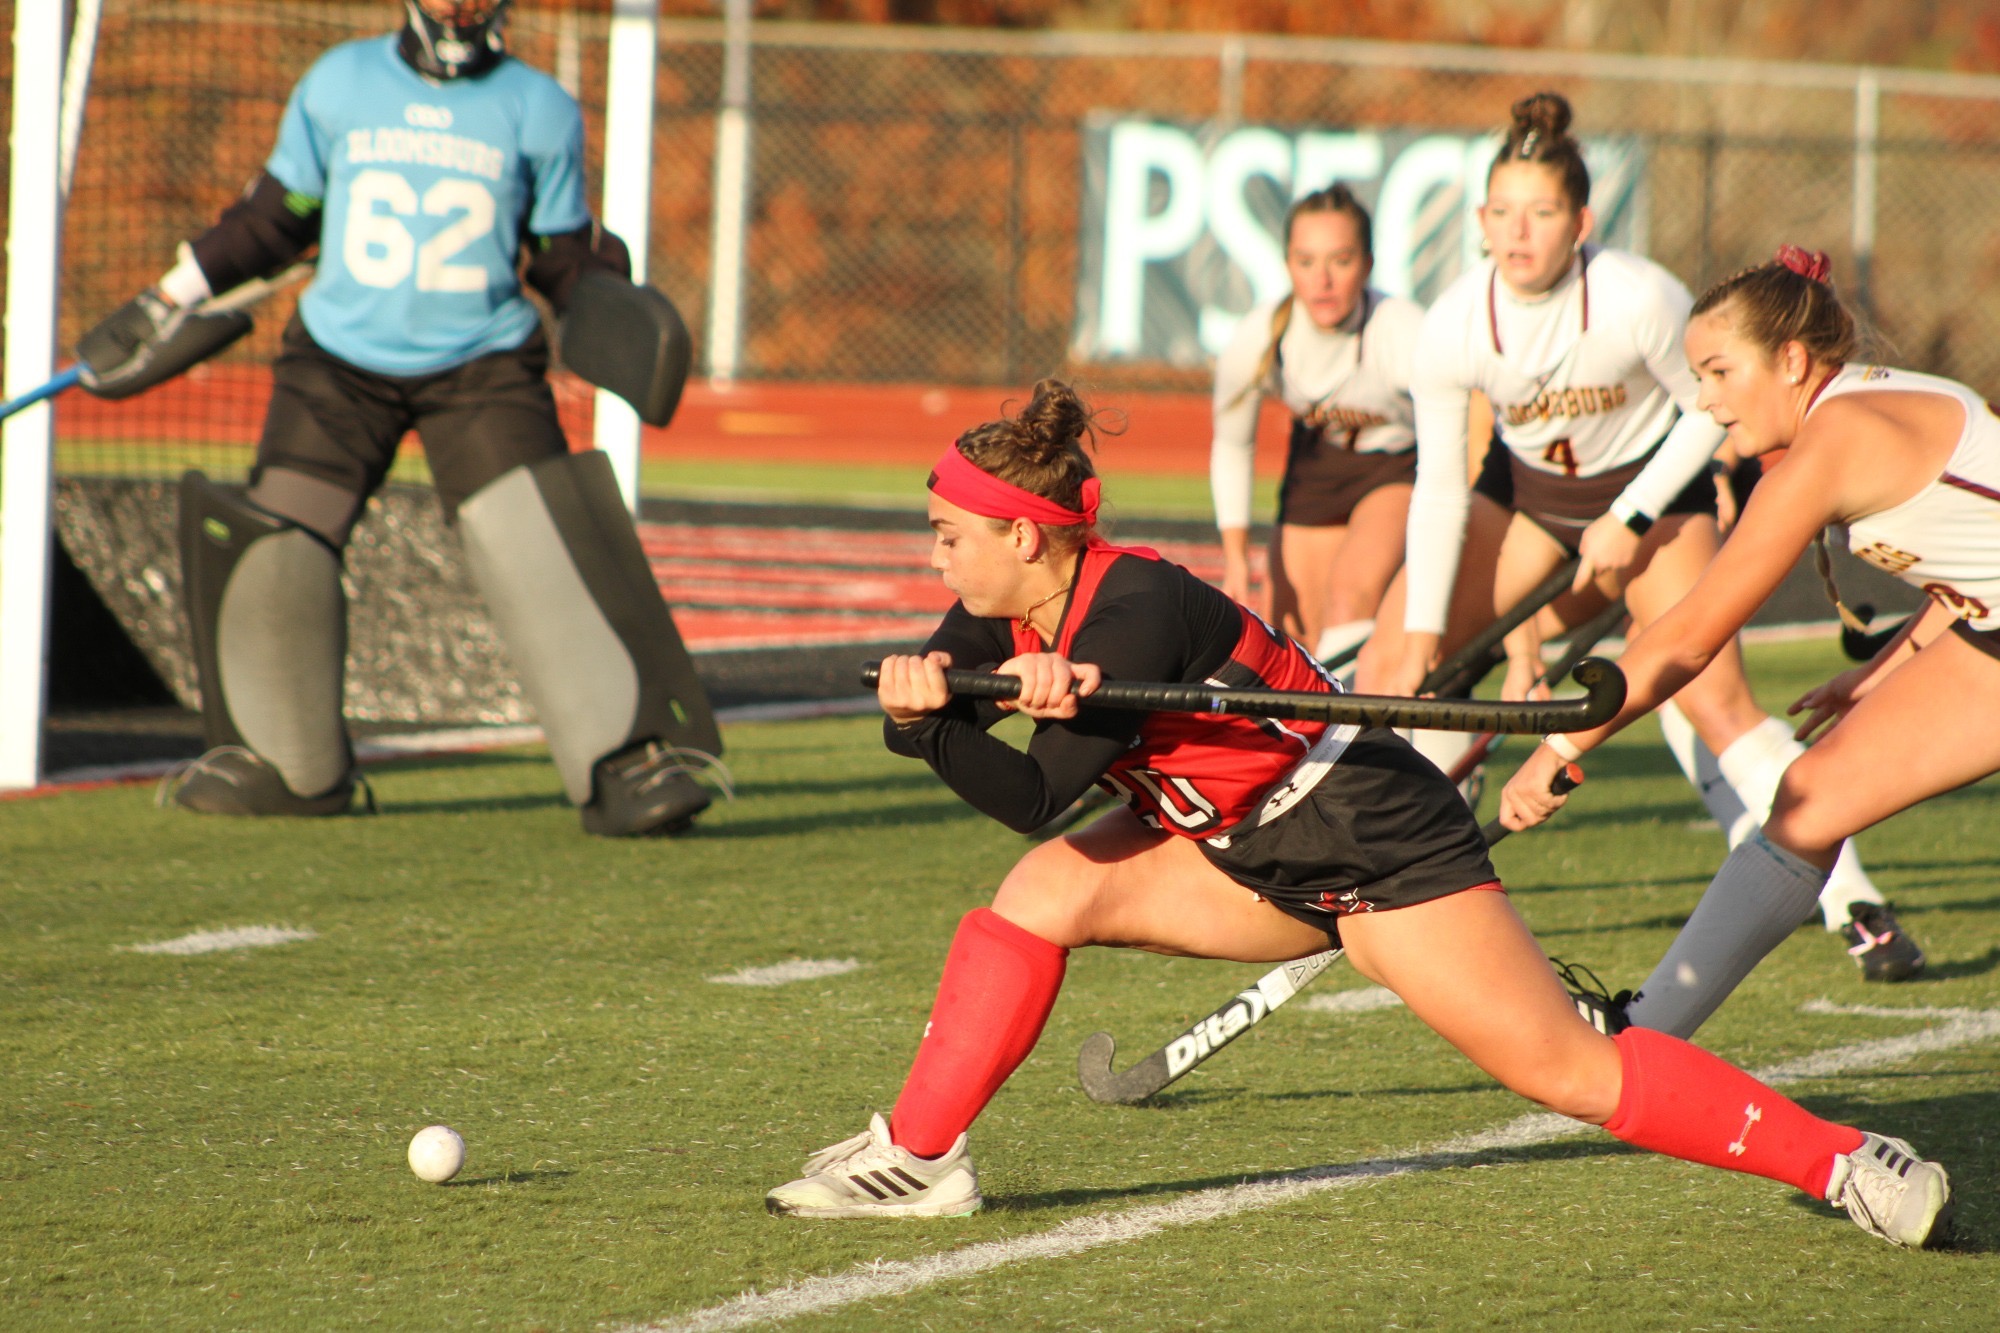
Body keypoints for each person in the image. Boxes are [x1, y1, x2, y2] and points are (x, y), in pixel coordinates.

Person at [760, 377, 1951, 1251]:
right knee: (1044, 896)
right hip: (1236, 848)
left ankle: (1846, 1159)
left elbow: (1030, 793)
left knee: (1570, 1077)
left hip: (1366, 834)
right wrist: (928, 710)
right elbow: (931, 709)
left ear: (1021, 535)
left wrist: (934, 731)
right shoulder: (1002, 605)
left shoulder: (1133, 613)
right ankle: (917, 1158)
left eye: (947, 536)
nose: (936, 559)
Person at [75, 0, 720, 837]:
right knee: (277, 546)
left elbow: (561, 255)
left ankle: (626, 759)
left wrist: (609, 300)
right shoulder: (336, 82)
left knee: (542, 543)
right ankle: (287, 768)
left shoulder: (538, 106)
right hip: (337, 368)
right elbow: (274, 220)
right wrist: (171, 295)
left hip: (481, 368)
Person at [1353, 92, 1910, 968]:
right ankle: (1373, 873)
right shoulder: (1454, 321)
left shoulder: (1635, 294)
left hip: (1654, 500)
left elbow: (1704, 409)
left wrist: (1630, 515)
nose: (1519, 233)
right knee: (1395, 664)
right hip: (1531, 500)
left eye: (1540, 213)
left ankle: (1855, 902)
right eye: (1501, 213)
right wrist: (1426, 637)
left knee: (1716, 701)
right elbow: (1437, 488)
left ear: (1581, 220)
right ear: (1479, 220)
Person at [1503, 245, 1998, 1034]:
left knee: (1808, 797)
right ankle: (1647, 1035)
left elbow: (1690, 637)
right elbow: (1975, 562)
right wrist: (1876, 674)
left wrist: (1561, 747)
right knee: (1810, 798)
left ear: (1792, 360)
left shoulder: (1826, 448)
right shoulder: (1862, 397)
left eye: (1720, 373)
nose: (1704, 402)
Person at [1210, 185, 1424, 665]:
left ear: (1368, 264)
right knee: (1291, 640)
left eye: (1340, 260)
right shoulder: (1262, 334)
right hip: (1315, 468)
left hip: (1396, 467)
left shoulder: (1401, 330)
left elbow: (1465, 422)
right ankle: (1310, 741)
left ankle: (1364, 737)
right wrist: (1237, 557)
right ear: (1287, 264)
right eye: (1306, 261)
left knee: (1349, 600)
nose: (1322, 280)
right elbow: (1232, 445)